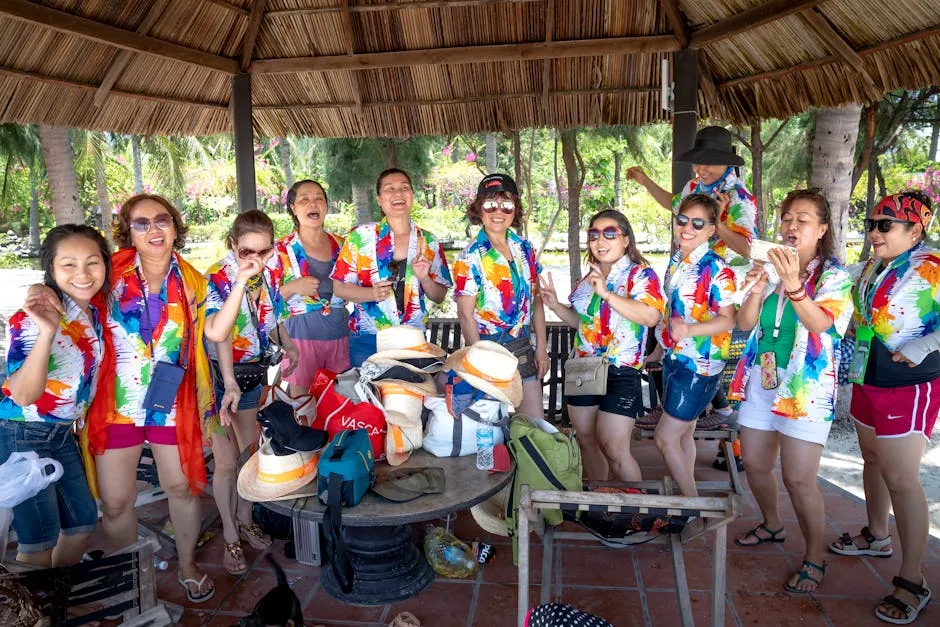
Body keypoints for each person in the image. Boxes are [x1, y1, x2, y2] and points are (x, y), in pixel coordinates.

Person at [25, 195, 262, 604]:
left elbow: (217, 333)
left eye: (162, 220)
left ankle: (187, 564)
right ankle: (132, 574)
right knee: (116, 503)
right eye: (141, 223)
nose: (154, 229)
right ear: (127, 230)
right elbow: (65, 289)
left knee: (181, 487)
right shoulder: (108, 271)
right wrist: (37, 288)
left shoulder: (192, 281)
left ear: (175, 226)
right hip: (116, 406)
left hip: (174, 402)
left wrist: (240, 284)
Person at [728, 189, 852, 595]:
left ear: (821, 229)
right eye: (786, 218)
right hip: (761, 380)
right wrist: (754, 286)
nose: (791, 226)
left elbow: (820, 325)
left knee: (799, 480)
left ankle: (815, 556)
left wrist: (794, 283)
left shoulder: (834, 276)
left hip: (805, 386)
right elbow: (746, 324)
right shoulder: (768, 267)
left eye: (802, 219)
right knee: (758, 465)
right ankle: (772, 523)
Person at [828, 191, 938, 624]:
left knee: (902, 478)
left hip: (908, 385)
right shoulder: (876, 264)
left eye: (885, 225)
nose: (874, 232)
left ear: (915, 230)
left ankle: (914, 580)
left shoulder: (932, 268)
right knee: (871, 458)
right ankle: (877, 534)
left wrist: (924, 345)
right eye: (872, 223)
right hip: (868, 375)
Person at [630, 127, 757, 441]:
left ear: (727, 163)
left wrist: (718, 223)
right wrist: (646, 182)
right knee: (665, 336)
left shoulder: (740, 198)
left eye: (709, 163)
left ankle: (723, 417)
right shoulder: (693, 185)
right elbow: (674, 205)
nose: (701, 169)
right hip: (687, 277)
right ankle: (683, 408)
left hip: (721, 286)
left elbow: (747, 248)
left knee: (708, 356)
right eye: (698, 162)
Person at [0, 225, 110, 567]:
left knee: (81, 522)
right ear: (51, 269)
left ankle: (57, 602)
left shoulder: (91, 312)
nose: (82, 273)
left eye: (92, 262)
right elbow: (21, 395)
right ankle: (34, 616)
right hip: (22, 433)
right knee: (39, 539)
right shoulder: (31, 319)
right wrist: (47, 333)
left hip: (62, 433)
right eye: (69, 264)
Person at [205, 210, 300, 575]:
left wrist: (288, 344)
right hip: (215, 380)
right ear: (233, 244)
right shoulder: (217, 276)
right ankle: (229, 533)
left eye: (263, 251)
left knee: (247, 456)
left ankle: (245, 519)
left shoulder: (269, 274)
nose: (255, 259)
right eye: (247, 251)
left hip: (252, 374)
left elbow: (271, 319)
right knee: (226, 463)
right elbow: (221, 333)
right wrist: (228, 381)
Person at [540, 210, 664, 481]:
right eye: (594, 234)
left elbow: (650, 316)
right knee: (586, 440)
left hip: (621, 370)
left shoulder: (641, 275)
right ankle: (600, 497)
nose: (600, 239)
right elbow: (582, 323)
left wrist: (607, 293)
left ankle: (636, 510)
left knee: (614, 447)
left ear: (626, 239)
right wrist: (555, 305)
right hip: (583, 367)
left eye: (610, 233)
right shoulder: (589, 278)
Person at [653, 194, 736, 496]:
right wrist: (661, 347)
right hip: (675, 357)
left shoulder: (718, 268)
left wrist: (690, 329)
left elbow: (728, 320)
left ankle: (691, 504)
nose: (687, 227)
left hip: (700, 365)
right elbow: (671, 309)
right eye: (683, 220)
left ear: (712, 229)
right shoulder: (677, 260)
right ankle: (689, 502)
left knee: (664, 438)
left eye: (698, 223)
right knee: (684, 435)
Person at [332, 168, 452, 367]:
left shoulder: (428, 241)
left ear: (412, 195)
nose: (398, 193)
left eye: (405, 188)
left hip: (412, 340)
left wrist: (425, 279)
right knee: (369, 397)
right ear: (379, 199)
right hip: (368, 339)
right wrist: (371, 294)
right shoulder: (360, 237)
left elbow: (439, 296)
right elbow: (339, 288)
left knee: (411, 396)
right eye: (390, 189)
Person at [453, 173, 548, 418]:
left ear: (515, 210)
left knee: (534, 425)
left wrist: (541, 349)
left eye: (507, 205)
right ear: (479, 209)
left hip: (523, 345)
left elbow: (536, 300)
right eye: (490, 204)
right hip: (488, 347)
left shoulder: (525, 248)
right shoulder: (469, 256)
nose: (498, 211)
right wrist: (479, 364)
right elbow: (465, 315)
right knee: (489, 428)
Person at [275, 180, 350, 395]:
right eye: (304, 200)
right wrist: (292, 287)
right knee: (302, 409)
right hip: (299, 340)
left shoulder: (343, 245)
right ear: (293, 208)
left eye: (319, 198)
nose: (313, 204)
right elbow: (263, 302)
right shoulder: (280, 250)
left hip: (340, 337)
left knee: (337, 407)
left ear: (326, 205)